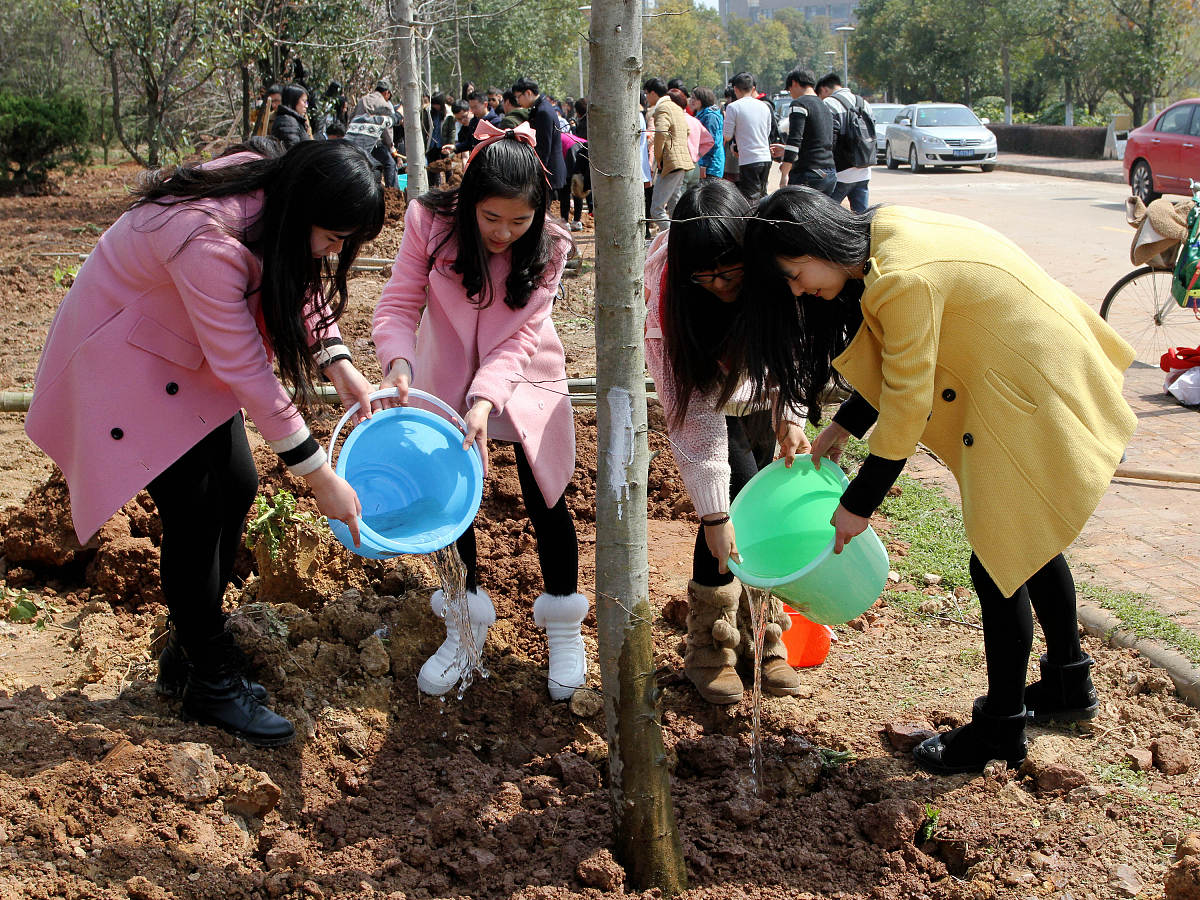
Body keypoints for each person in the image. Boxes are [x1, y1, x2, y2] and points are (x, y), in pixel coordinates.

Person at [725, 187, 1138, 774]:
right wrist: (840, 428)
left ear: (816, 242)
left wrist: (858, 500)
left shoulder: (901, 279)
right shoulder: (882, 237)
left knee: (998, 556)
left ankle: (1000, 728)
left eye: (795, 274)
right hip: (1034, 361)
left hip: (1032, 383)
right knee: (1028, 539)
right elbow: (898, 358)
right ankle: (1069, 687)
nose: (798, 289)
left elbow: (908, 402)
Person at [25, 141, 386, 746]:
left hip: (178, 355)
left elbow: (295, 278)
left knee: (237, 487)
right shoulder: (206, 241)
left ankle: (190, 654)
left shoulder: (274, 202)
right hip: (125, 362)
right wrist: (320, 476)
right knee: (195, 512)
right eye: (330, 236)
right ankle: (211, 680)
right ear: (300, 208)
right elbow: (247, 371)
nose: (331, 252)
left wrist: (339, 363)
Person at [373, 122, 587, 702]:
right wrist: (398, 362)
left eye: (519, 222)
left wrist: (486, 397)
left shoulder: (552, 246)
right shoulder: (429, 224)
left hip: (523, 380)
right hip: (442, 379)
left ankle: (565, 626)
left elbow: (517, 341)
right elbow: (396, 304)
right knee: (452, 504)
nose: (503, 233)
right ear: (468, 203)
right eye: (491, 218)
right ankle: (464, 627)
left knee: (546, 497)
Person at [644, 180, 806, 704]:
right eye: (705, 275)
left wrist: (791, 411)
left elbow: (796, 348)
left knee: (764, 492)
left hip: (762, 378)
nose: (718, 284)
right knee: (732, 497)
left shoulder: (774, 271)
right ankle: (709, 647)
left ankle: (763, 633)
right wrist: (713, 515)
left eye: (729, 271)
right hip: (710, 387)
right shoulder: (671, 307)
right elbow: (695, 420)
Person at [816, 72, 872, 212]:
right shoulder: (863, 103)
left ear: (824, 89)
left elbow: (829, 139)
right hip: (864, 170)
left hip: (840, 173)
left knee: (826, 217)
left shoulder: (829, 103)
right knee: (862, 218)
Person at [644, 77, 694, 234]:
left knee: (656, 210)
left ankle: (672, 238)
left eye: (646, 94)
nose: (645, 97)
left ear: (653, 93)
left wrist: (658, 158)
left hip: (670, 163)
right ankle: (681, 237)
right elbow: (687, 131)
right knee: (675, 206)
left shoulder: (662, 108)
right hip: (683, 162)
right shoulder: (676, 107)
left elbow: (661, 133)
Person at [777, 69, 836, 196]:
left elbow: (794, 140)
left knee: (798, 214)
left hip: (808, 173)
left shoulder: (799, 104)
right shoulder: (824, 105)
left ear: (794, 83)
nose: (791, 94)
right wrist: (785, 149)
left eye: (789, 90)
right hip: (829, 172)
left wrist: (785, 173)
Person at [512, 77, 567, 205]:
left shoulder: (543, 112)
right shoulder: (541, 107)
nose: (518, 101)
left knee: (542, 212)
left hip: (547, 170)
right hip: (546, 169)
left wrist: (536, 175)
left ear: (528, 93)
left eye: (518, 97)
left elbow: (543, 148)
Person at [722, 72, 773, 204]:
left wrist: (734, 145)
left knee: (750, 199)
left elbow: (727, 135)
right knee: (763, 196)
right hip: (765, 157)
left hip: (749, 160)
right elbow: (767, 133)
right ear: (753, 89)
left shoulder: (733, 107)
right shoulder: (765, 106)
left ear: (735, 89)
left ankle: (753, 223)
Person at [352, 77, 400, 190]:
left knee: (370, 167)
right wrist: (391, 146)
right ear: (386, 92)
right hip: (374, 142)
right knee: (390, 164)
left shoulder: (362, 100)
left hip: (357, 141)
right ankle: (392, 193)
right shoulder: (384, 104)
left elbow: (352, 118)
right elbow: (386, 129)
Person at [692, 87, 724, 180]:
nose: (692, 101)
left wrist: (704, 165)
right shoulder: (701, 114)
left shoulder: (710, 116)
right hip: (703, 162)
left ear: (703, 99)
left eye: (695, 98)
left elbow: (711, 142)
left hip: (711, 165)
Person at [271, 84, 312, 149]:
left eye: (307, 102)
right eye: (304, 101)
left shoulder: (295, 120)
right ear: (294, 100)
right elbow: (293, 151)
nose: (306, 106)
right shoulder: (287, 122)